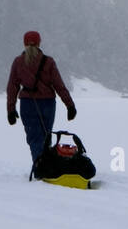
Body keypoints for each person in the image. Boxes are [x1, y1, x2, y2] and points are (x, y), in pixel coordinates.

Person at [6, 31, 77, 176]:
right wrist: (70, 105)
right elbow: (59, 85)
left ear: (24, 43)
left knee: (34, 139)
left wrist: (11, 110)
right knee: (46, 137)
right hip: (47, 104)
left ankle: (41, 169)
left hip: (28, 104)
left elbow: (12, 87)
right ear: (39, 43)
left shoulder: (18, 62)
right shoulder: (48, 62)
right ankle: (46, 167)